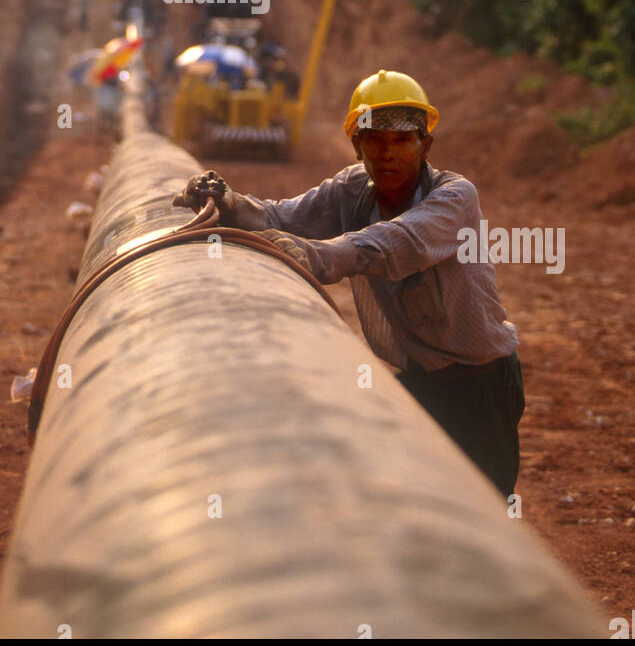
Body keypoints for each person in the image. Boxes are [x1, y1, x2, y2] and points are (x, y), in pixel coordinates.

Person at [174, 69, 524, 499]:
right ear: (357, 146)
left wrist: (317, 255)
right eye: (374, 140)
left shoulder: (454, 198)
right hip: (423, 380)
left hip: (481, 387)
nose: (388, 153)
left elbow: (396, 242)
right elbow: (280, 217)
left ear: (425, 144)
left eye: (402, 141)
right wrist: (226, 201)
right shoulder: (352, 189)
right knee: (392, 488)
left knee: (484, 513)